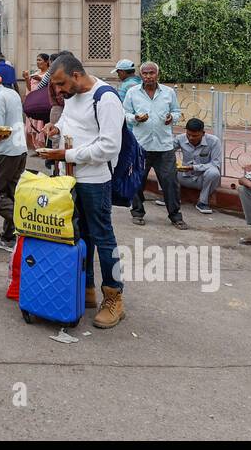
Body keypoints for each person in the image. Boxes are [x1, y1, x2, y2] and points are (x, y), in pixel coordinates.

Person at [41, 52, 126, 329]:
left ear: (76, 76)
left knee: (103, 237)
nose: (58, 90)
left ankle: (114, 296)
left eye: (61, 84)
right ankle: (86, 288)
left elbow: (109, 147)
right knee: (80, 235)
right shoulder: (73, 97)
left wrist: (65, 155)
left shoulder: (106, 98)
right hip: (70, 179)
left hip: (95, 180)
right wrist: (55, 129)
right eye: (55, 85)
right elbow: (69, 124)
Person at [122, 61, 186, 229]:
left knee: (170, 182)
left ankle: (175, 216)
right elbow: (125, 113)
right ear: (140, 75)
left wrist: (172, 117)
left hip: (164, 146)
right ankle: (137, 212)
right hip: (141, 146)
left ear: (158, 74)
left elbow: (177, 112)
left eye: (152, 73)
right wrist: (135, 118)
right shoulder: (132, 92)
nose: (148, 76)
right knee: (137, 180)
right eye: (145, 73)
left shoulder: (169, 92)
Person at [0, 70, 27, 250]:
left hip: (5, 152)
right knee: (11, 193)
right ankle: (9, 237)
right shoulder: (12, 93)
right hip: (20, 149)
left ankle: (23, 225)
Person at [175, 118, 222, 213]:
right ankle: (171, 197)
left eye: (195, 135)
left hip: (203, 179)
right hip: (184, 177)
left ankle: (203, 203)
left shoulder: (214, 141)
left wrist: (193, 167)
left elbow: (215, 164)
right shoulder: (180, 138)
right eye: (189, 135)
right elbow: (167, 153)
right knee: (163, 165)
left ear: (203, 133)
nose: (191, 138)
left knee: (214, 172)